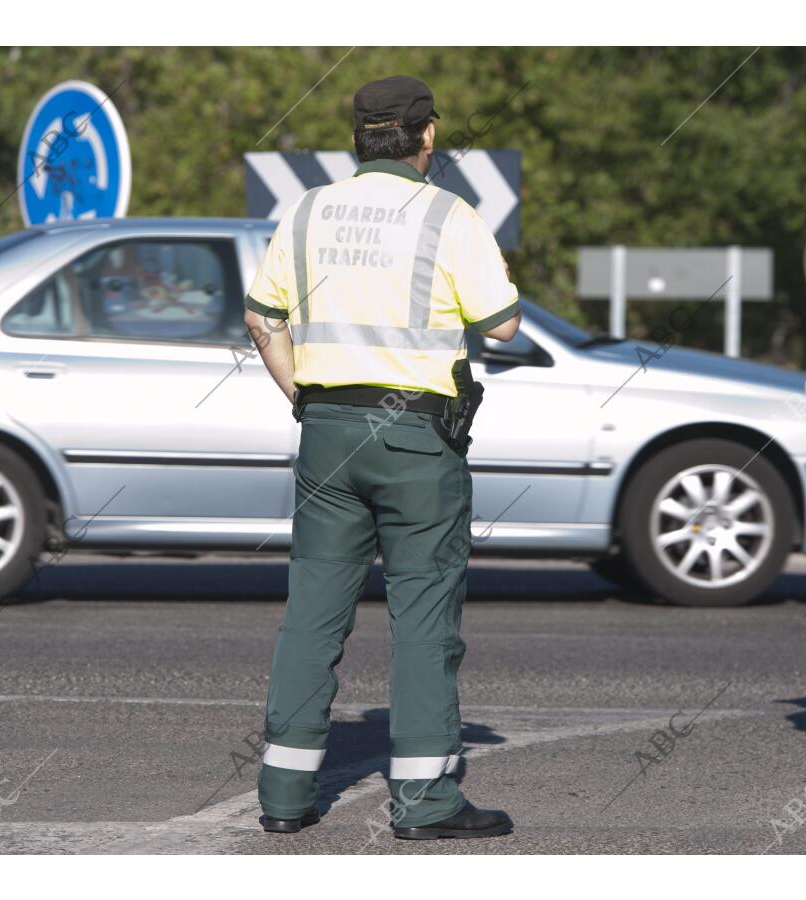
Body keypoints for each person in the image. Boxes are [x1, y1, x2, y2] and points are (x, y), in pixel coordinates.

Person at [242, 75, 521, 838]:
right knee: (424, 613)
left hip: (327, 429)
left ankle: (285, 797)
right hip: (416, 441)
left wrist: (304, 398)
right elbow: (501, 325)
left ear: (358, 137)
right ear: (426, 136)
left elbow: (261, 318)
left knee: (313, 611)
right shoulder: (447, 216)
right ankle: (426, 800)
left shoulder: (305, 211)